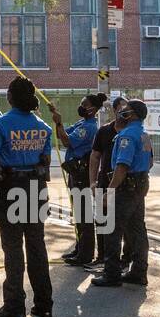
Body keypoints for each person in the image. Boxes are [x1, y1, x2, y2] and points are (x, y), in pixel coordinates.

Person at [0, 76, 54, 317]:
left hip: (11, 188)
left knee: (13, 248)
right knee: (37, 246)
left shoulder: (1, 124)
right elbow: (46, 161)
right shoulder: (44, 127)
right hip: (36, 188)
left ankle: (14, 306)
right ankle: (44, 303)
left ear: (11, 97)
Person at [92, 98, 152, 288]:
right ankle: (139, 272)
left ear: (132, 114)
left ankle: (112, 274)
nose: (121, 112)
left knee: (112, 230)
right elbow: (150, 162)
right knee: (138, 230)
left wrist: (109, 191)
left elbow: (122, 167)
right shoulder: (144, 134)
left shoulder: (126, 136)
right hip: (140, 185)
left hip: (124, 188)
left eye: (125, 110)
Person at [49, 92, 106, 267]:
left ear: (93, 109)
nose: (81, 106)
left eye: (84, 104)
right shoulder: (82, 123)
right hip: (75, 172)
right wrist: (57, 118)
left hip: (81, 173)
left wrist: (59, 122)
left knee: (84, 214)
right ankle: (80, 248)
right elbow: (61, 136)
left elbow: (67, 142)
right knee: (79, 213)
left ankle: (85, 254)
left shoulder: (89, 128)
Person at [85, 96, 127, 271]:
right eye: (121, 110)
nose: (124, 114)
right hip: (104, 181)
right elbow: (95, 156)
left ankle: (124, 260)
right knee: (102, 220)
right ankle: (102, 257)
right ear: (114, 110)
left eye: (127, 111)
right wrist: (93, 182)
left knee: (123, 223)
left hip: (124, 184)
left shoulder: (131, 132)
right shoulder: (104, 131)